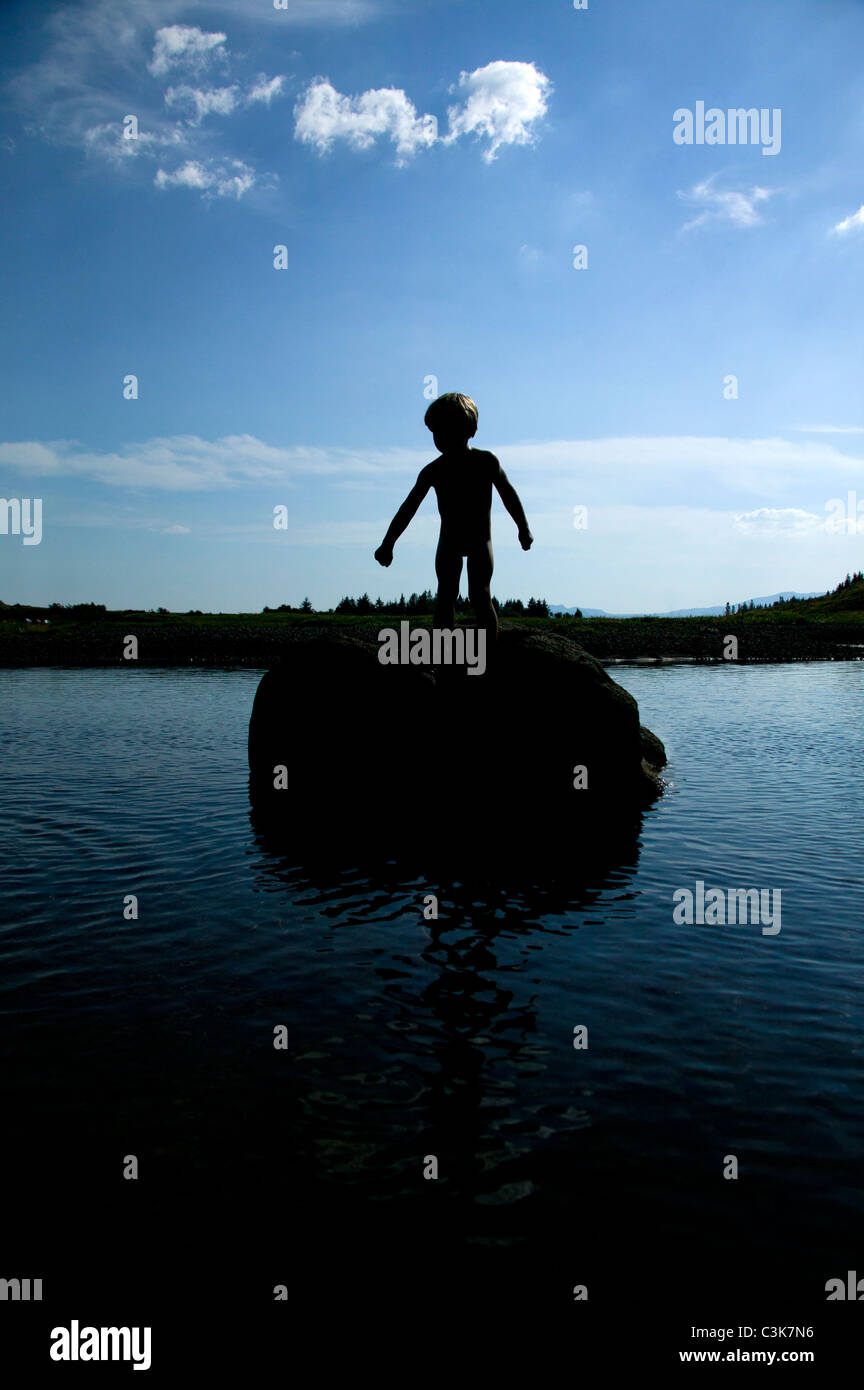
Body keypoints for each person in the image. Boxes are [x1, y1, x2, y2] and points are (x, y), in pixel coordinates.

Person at [374, 393, 533, 637]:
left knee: (480, 593)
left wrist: (523, 528)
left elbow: (509, 495)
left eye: (447, 430)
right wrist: (388, 543)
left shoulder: (486, 462)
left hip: (481, 541)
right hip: (449, 542)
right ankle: (443, 653)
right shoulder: (433, 470)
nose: (441, 438)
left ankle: (489, 652)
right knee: (446, 593)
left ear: (470, 430)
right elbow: (408, 508)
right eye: (436, 432)